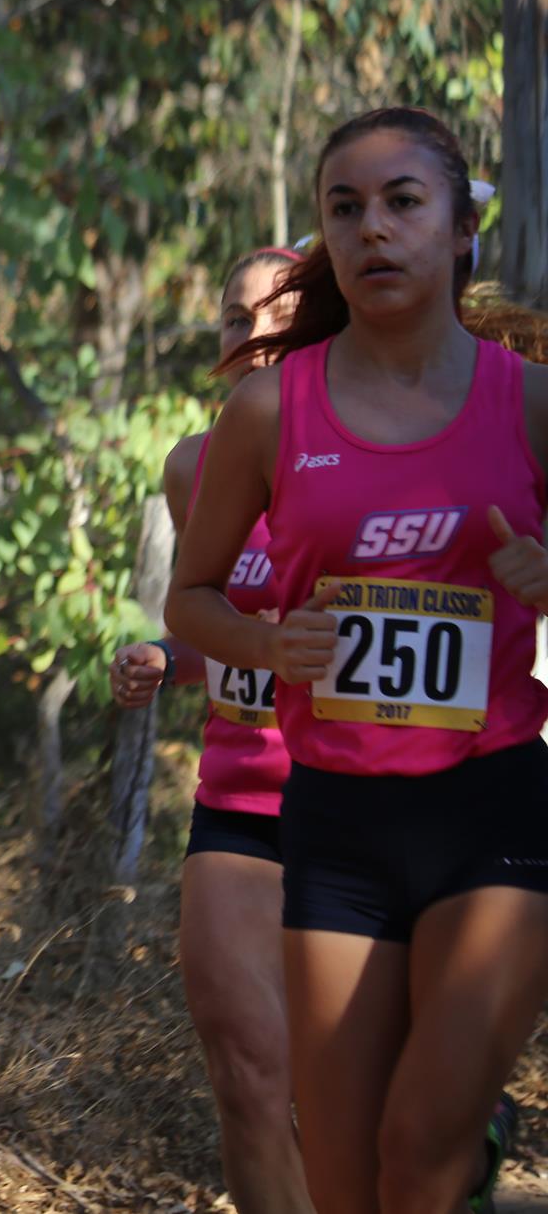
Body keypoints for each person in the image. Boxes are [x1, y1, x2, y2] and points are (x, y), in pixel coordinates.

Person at [166, 106, 548, 1214]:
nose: (371, 229)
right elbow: (188, 601)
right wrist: (267, 642)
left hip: (495, 810)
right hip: (332, 819)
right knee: (343, 1180)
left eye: (401, 202)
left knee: (422, 1141)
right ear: (323, 239)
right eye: (345, 208)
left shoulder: (524, 402)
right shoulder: (262, 412)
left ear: (461, 227)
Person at [111, 247, 316, 1213]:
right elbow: (211, 621)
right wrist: (167, 657)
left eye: (280, 311)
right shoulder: (192, 469)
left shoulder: (380, 449)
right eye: (237, 317)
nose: (256, 332)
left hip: (372, 798)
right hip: (241, 801)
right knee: (246, 1072)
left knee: (359, 1088)